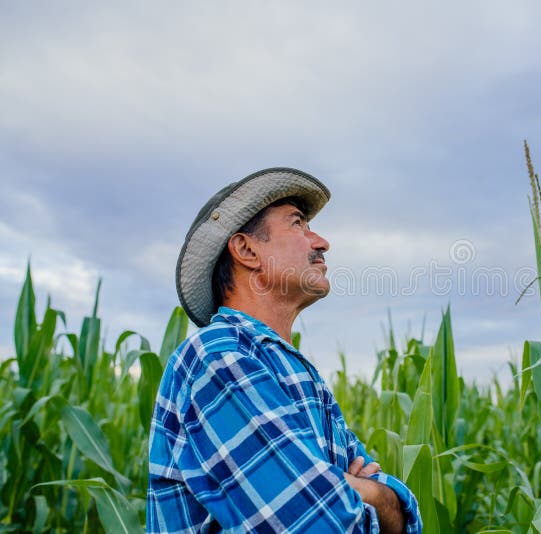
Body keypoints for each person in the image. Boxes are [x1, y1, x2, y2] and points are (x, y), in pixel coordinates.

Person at [147, 168, 421, 533]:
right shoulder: (218, 356)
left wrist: (357, 492)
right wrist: (368, 492)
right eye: (298, 225)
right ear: (246, 250)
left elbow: (403, 516)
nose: (322, 242)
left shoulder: (296, 373)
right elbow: (318, 523)